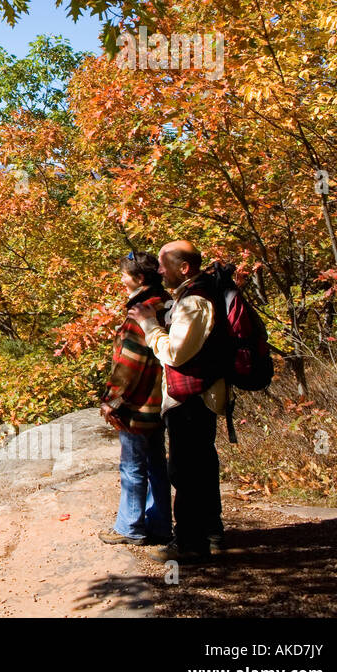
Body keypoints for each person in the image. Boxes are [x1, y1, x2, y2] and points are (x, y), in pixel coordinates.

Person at [128, 240, 228, 563]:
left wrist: (149, 325)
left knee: (184, 471)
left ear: (183, 268)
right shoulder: (194, 296)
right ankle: (211, 534)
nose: (158, 270)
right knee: (202, 466)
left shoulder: (193, 302)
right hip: (200, 395)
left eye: (163, 264)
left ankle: (190, 544)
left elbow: (174, 353)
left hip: (191, 400)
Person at [98, 252, 172, 546]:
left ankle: (130, 526)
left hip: (138, 405)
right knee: (156, 464)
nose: (121, 278)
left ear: (139, 279)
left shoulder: (140, 314)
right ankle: (160, 525)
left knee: (132, 466)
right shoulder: (166, 304)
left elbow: (129, 364)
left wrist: (111, 400)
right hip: (161, 401)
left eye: (124, 274)